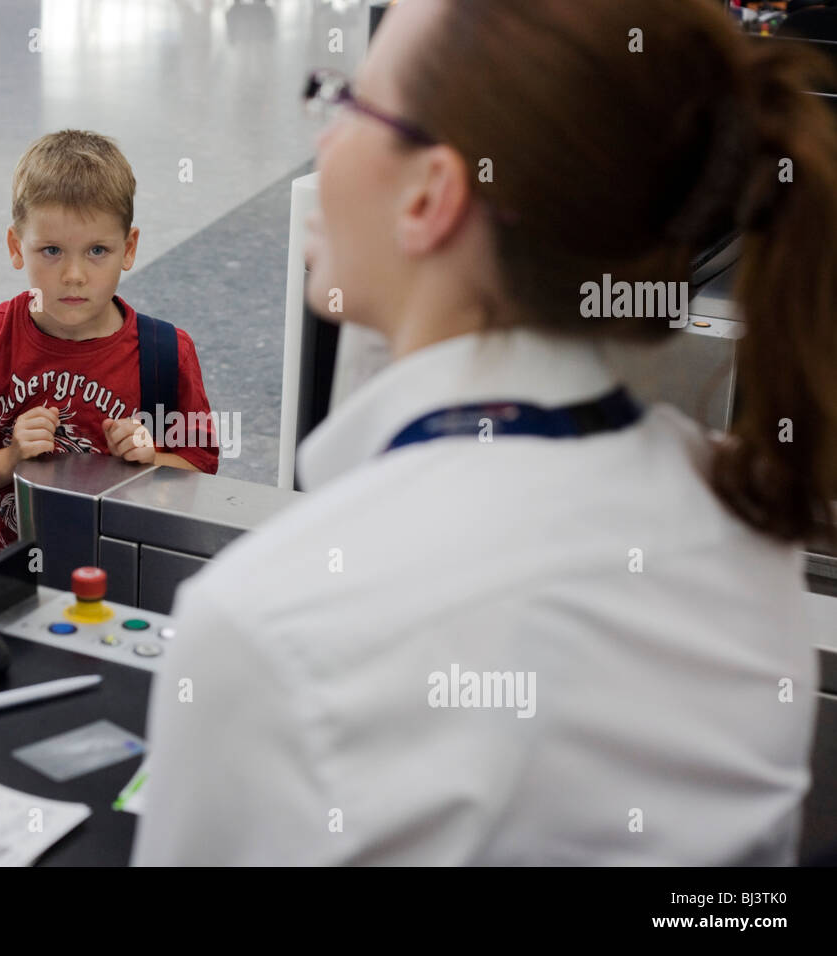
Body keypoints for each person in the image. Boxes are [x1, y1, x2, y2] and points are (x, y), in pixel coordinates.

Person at [133, 0, 834, 865]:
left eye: (349, 102)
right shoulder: (750, 528)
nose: (323, 138)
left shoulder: (269, 626)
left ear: (430, 194)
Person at [0, 130, 220, 568]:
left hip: (120, 588)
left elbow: (201, 469)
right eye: (52, 251)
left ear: (129, 248)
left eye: (97, 250)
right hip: (9, 585)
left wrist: (151, 457)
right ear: (16, 247)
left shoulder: (166, 355)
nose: (74, 274)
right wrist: (11, 459)